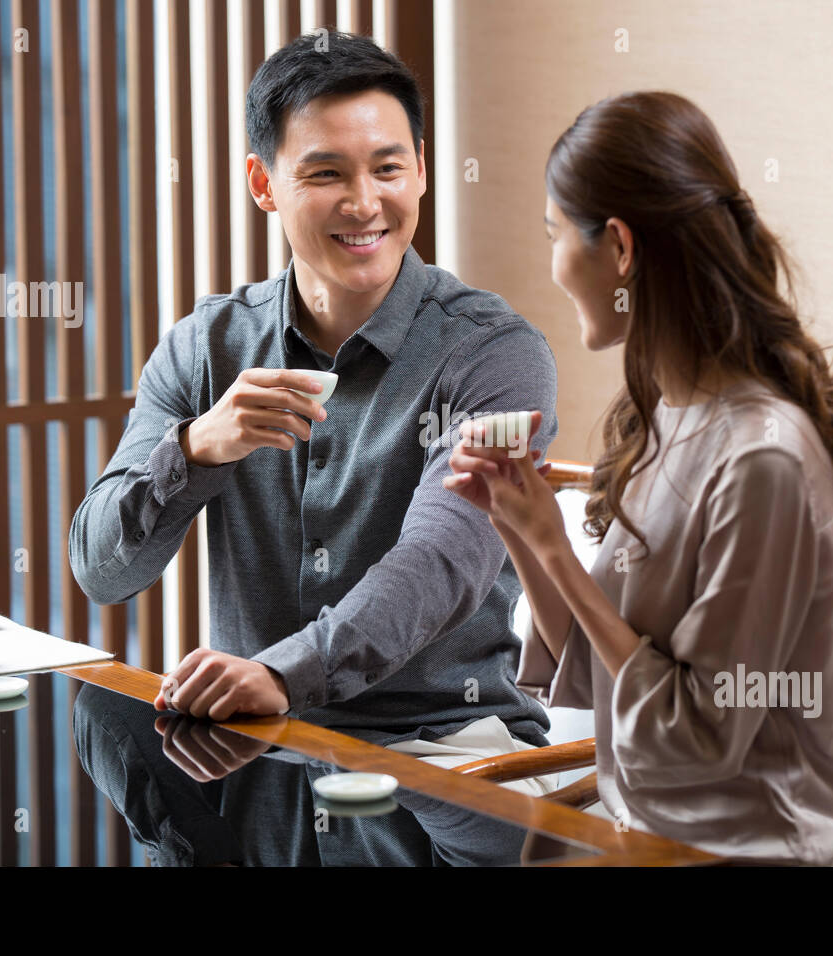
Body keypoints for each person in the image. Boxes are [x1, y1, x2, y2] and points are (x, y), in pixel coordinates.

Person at [68, 31, 559, 865]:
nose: (365, 202)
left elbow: (442, 556)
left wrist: (286, 674)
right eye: (326, 173)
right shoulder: (204, 347)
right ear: (264, 184)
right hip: (251, 747)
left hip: (445, 750)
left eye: (388, 168)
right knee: (109, 737)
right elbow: (102, 569)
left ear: (424, 170)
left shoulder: (494, 353)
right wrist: (197, 449)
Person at [444, 91, 833, 866]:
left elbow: (700, 736)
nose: (552, 266)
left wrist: (556, 549)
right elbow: (597, 666)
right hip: (646, 833)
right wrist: (517, 526)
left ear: (618, 248)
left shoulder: (764, 460)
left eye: (556, 234)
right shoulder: (665, 418)